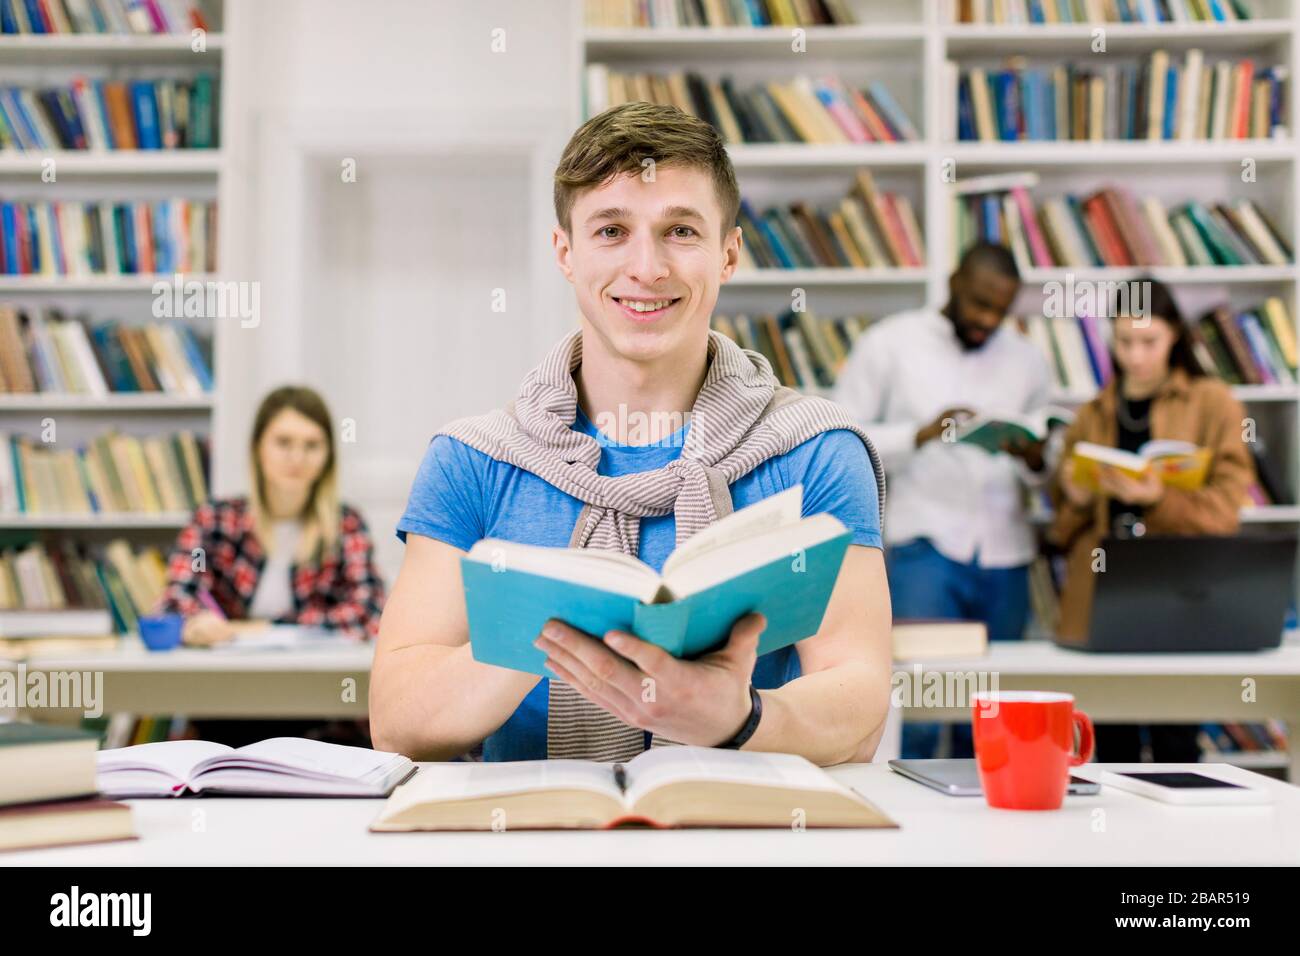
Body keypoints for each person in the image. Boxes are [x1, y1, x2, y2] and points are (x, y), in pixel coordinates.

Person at [370, 102, 892, 766]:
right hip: (530, 835)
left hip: (744, 833)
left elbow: (860, 702)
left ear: (729, 253)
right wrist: (547, 625)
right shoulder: (471, 459)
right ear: (566, 252)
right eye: (612, 230)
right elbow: (396, 721)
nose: (647, 267)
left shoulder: (816, 451)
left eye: (679, 230)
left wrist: (740, 716)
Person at [834, 241, 1052, 758]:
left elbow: (1044, 470)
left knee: (1002, 708)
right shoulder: (890, 344)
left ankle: (998, 827)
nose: (986, 319)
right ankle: (913, 832)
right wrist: (921, 434)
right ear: (954, 283)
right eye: (978, 304)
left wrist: (1036, 458)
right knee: (921, 706)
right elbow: (842, 439)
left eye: (998, 312)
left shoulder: (1028, 361)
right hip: (922, 550)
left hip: (1006, 554)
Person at [1050, 279, 1255, 762]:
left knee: (1177, 744)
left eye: (1149, 342)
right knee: (1112, 747)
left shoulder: (1213, 403)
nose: (1135, 357)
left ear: (1175, 338)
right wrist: (1077, 498)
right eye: (1124, 342)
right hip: (1104, 595)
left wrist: (1157, 497)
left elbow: (1226, 510)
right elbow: (1059, 533)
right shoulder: (1092, 413)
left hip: (1179, 592)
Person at [155, 385, 387, 745]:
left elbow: (369, 612)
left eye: (312, 445)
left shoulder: (346, 524)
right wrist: (194, 624)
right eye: (283, 442)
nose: (297, 457)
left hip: (318, 705)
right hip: (226, 699)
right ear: (258, 448)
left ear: (328, 455)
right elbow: (173, 601)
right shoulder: (216, 519)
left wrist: (261, 628)